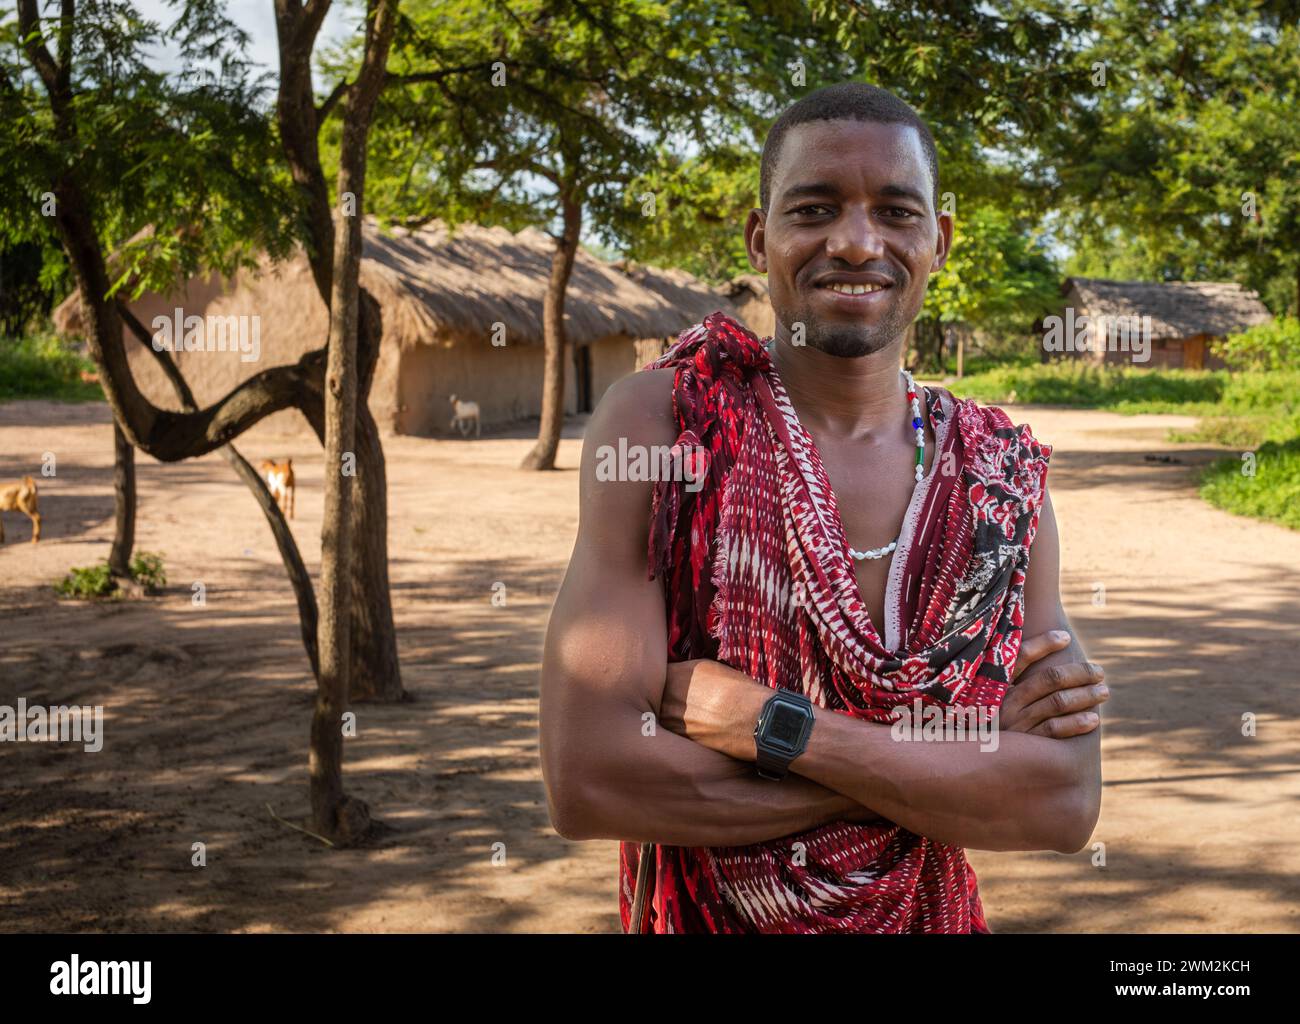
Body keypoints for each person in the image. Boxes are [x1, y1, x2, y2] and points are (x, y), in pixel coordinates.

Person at [539, 82, 1106, 933]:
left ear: (938, 241)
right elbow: (590, 780)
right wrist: (942, 767)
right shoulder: (667, 424)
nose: (854, 241)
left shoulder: (996, 480)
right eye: (814, 209)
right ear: (761, 237)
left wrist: (774, 729)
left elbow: (1059, 803)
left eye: (896, 211)